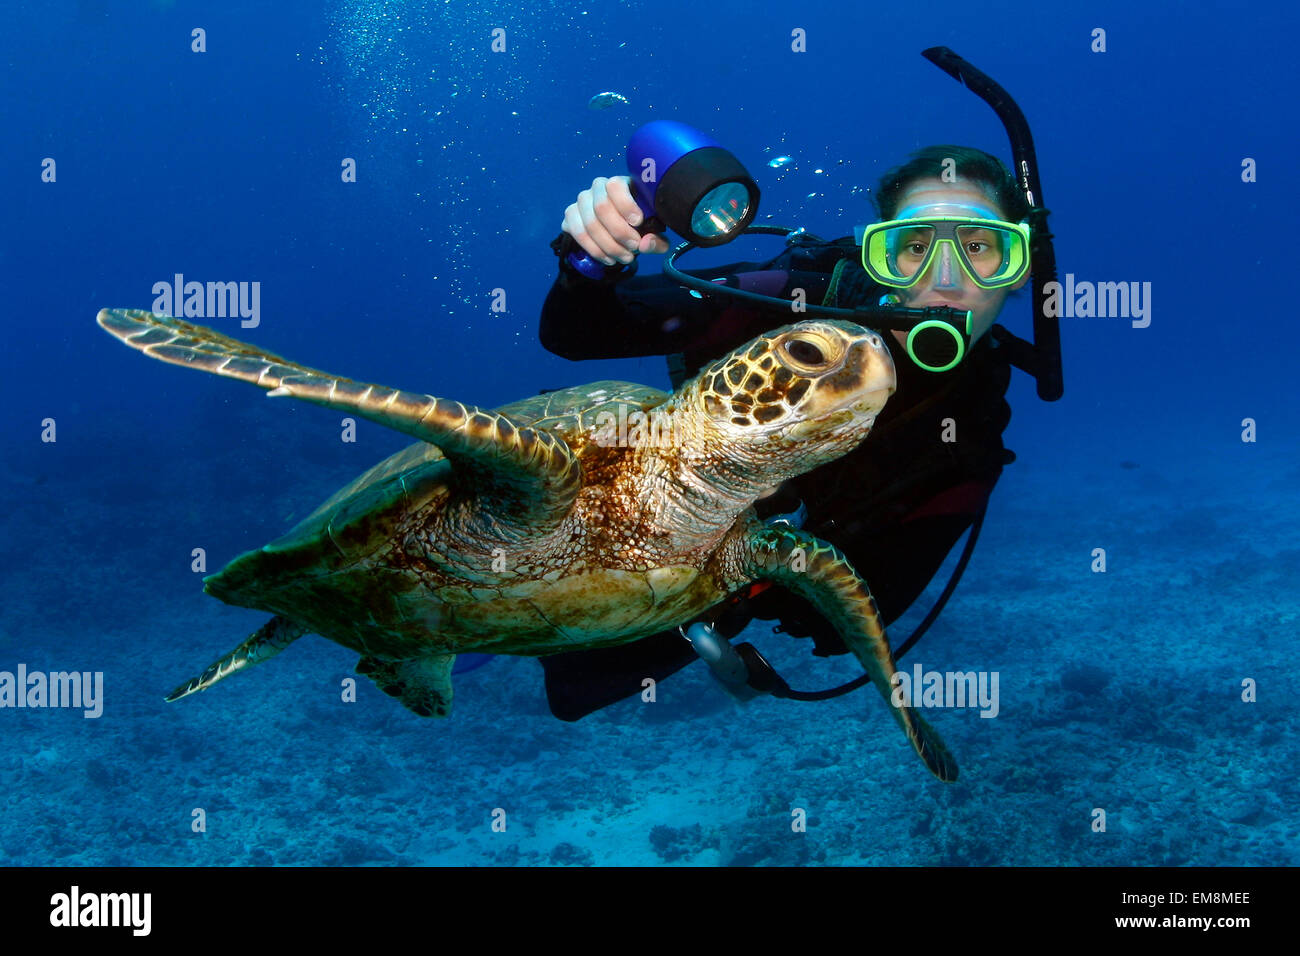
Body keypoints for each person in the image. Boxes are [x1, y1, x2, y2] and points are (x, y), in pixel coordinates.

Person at [538, 145, 1029, 720]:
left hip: (701, 592)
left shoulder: (971, 428)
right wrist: (592, 259)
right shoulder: (794, 301)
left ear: (1020, 265)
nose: (945, 278)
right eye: (915, 248)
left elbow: (836, 628)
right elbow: (576, 333)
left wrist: (762, 542)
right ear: (878, 256)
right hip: (593, 500)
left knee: (572, 679)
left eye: (978, 248)